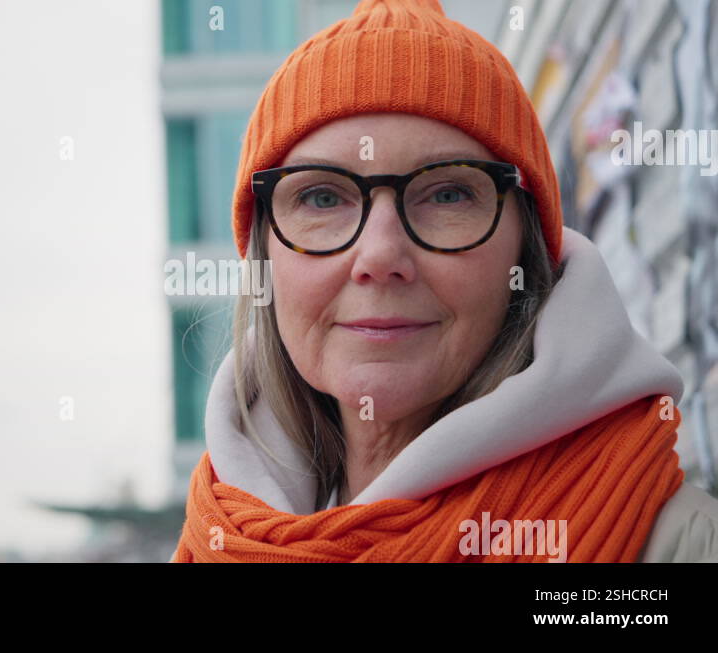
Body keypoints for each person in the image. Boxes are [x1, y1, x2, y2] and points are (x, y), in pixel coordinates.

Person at [170, 0, 718, 562]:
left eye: (449, 193)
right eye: (321, 196)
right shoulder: (216, 540)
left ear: (527, 252)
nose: (380, 255)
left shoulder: (680, 547)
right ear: (264, 256)